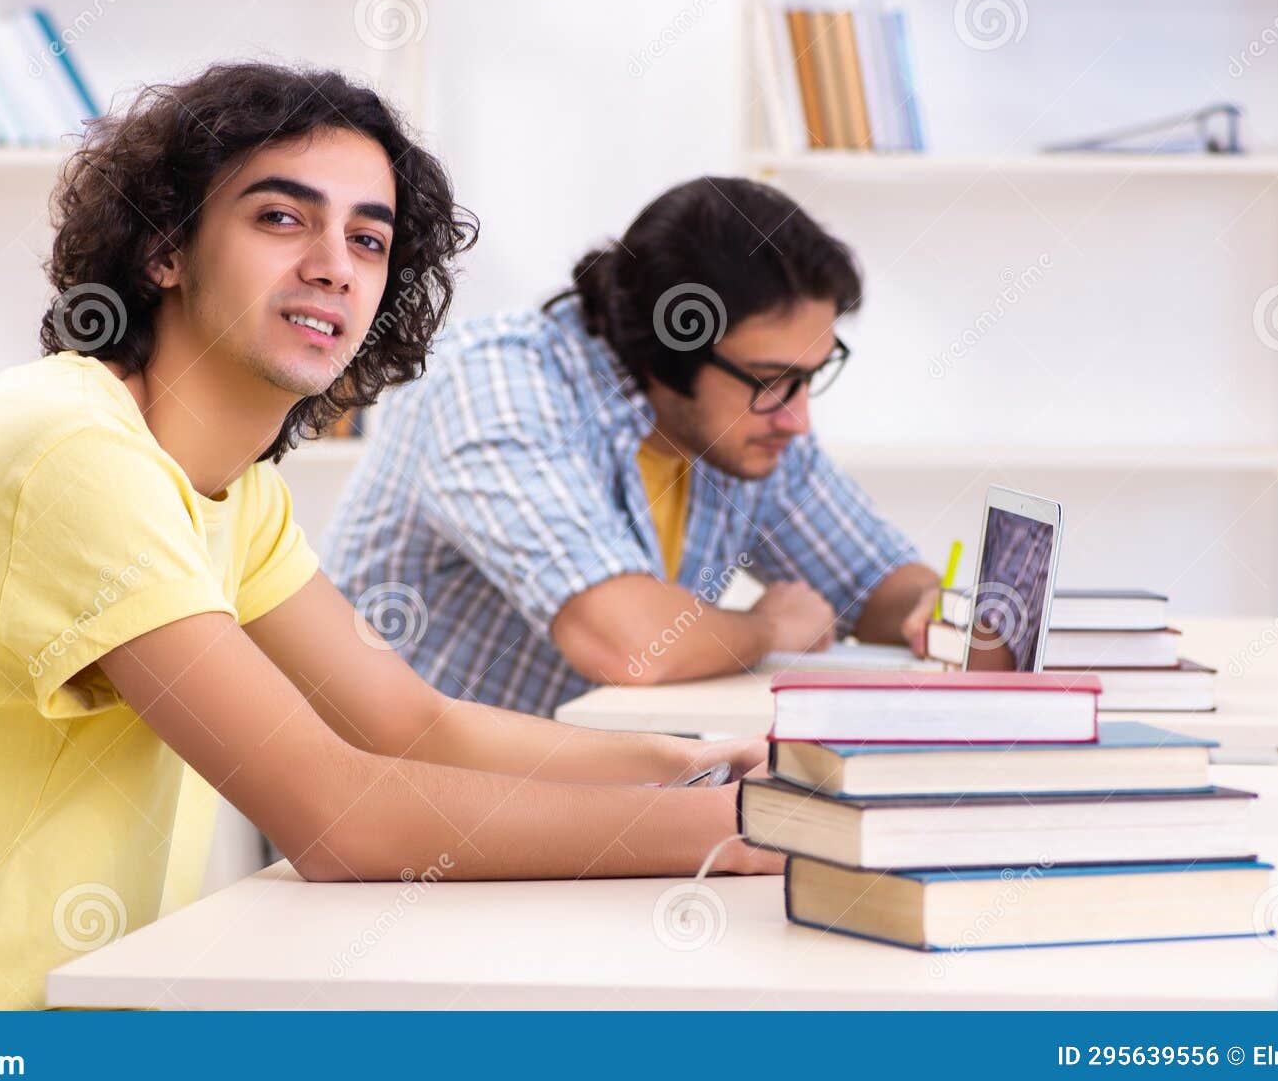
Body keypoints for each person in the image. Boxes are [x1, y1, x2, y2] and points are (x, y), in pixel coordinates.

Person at [0, 64, 777, 1012]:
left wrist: (690, 766)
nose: (333, 267)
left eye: (368, 241)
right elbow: (336, 817)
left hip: (50, 1014)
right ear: (164, 250)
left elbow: (412, 726)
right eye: (282, 218)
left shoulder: (237, 493)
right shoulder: (71, 451)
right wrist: (734, 832)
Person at [328, 177, 941, 718]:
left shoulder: (748, 423)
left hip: (592, 789)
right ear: (675, 347)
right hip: (405, 793)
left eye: (809, 376)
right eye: (771, 380)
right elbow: (629, 643)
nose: (798, 419)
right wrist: (770, 629)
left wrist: (932, 613)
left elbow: (876, 583)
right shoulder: (495, 383)